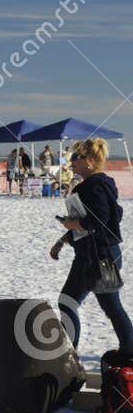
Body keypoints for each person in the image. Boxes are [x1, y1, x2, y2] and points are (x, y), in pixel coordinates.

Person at [50, 138, 133, 361]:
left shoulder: (93, 185)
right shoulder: (104, 183)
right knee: (107, 306)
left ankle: (68, 355)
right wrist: (64, 238)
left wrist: (73, 224)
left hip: (97, 255)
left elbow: (102, 220)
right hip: (102, 252)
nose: (71, 163)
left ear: (88, 161)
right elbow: (115, 215)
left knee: (69, 302)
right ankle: (128, 350)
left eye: (75, 158)